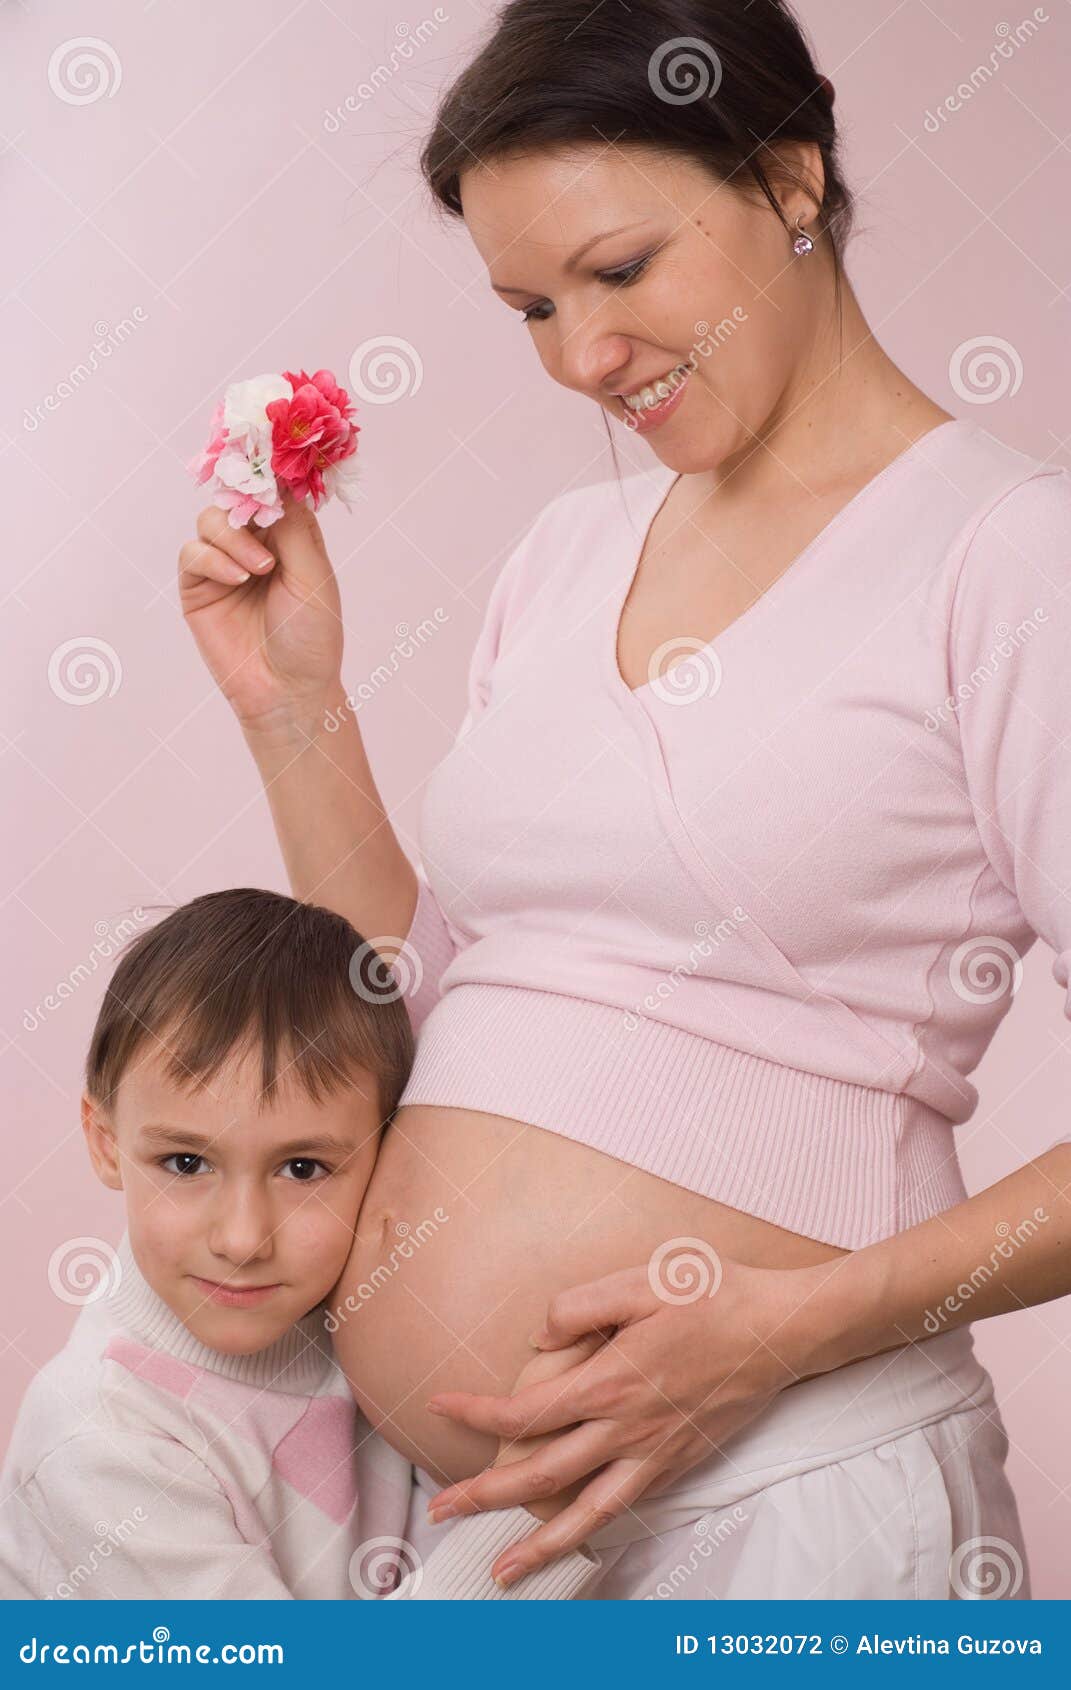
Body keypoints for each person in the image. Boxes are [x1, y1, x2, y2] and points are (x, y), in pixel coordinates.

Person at [176, 0, 1071, 1599]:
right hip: (496, 1538)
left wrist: (779, 1328)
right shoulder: (566, 554)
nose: (581, 359)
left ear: (788, 183)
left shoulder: (1003, 561)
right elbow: (430, 1005)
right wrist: (294, 704)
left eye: (619, 270)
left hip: (798, 1498)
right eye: (527, 306)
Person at [0, 889, 601, 1600]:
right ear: (106, 1143)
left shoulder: (354, 1321)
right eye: (186, 1164)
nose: (245, 1238)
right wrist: (537, 1504)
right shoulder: (101, 1444)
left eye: (302, 1169)